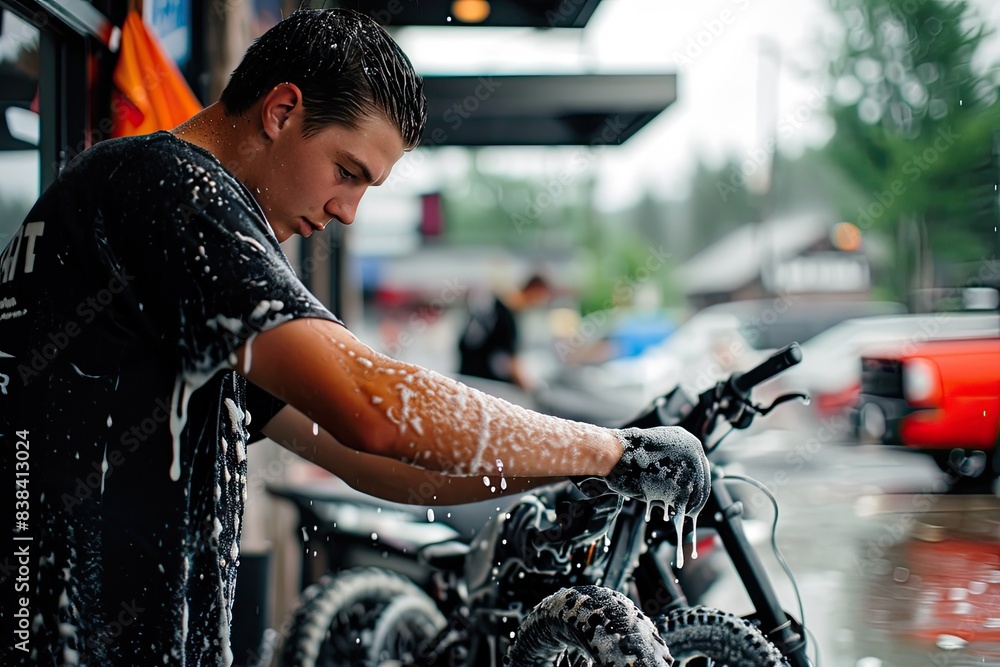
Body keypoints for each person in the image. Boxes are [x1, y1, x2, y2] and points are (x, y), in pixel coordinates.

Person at [0, 9, 709, 666]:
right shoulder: (173, 190)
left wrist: (582, 467)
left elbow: (373, 460)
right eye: (346, 172)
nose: (345, 210)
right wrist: (612, 446)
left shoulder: (149, 226)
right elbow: (372, 407)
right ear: (281, 110)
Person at [457, 273, 551, 390]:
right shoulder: (507, 317)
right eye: (542, 297)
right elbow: (512, 363)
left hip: (467, 377)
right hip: (483, 383)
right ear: (535, 290)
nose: (541, 302)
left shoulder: (493, 305)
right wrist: (531, 388)